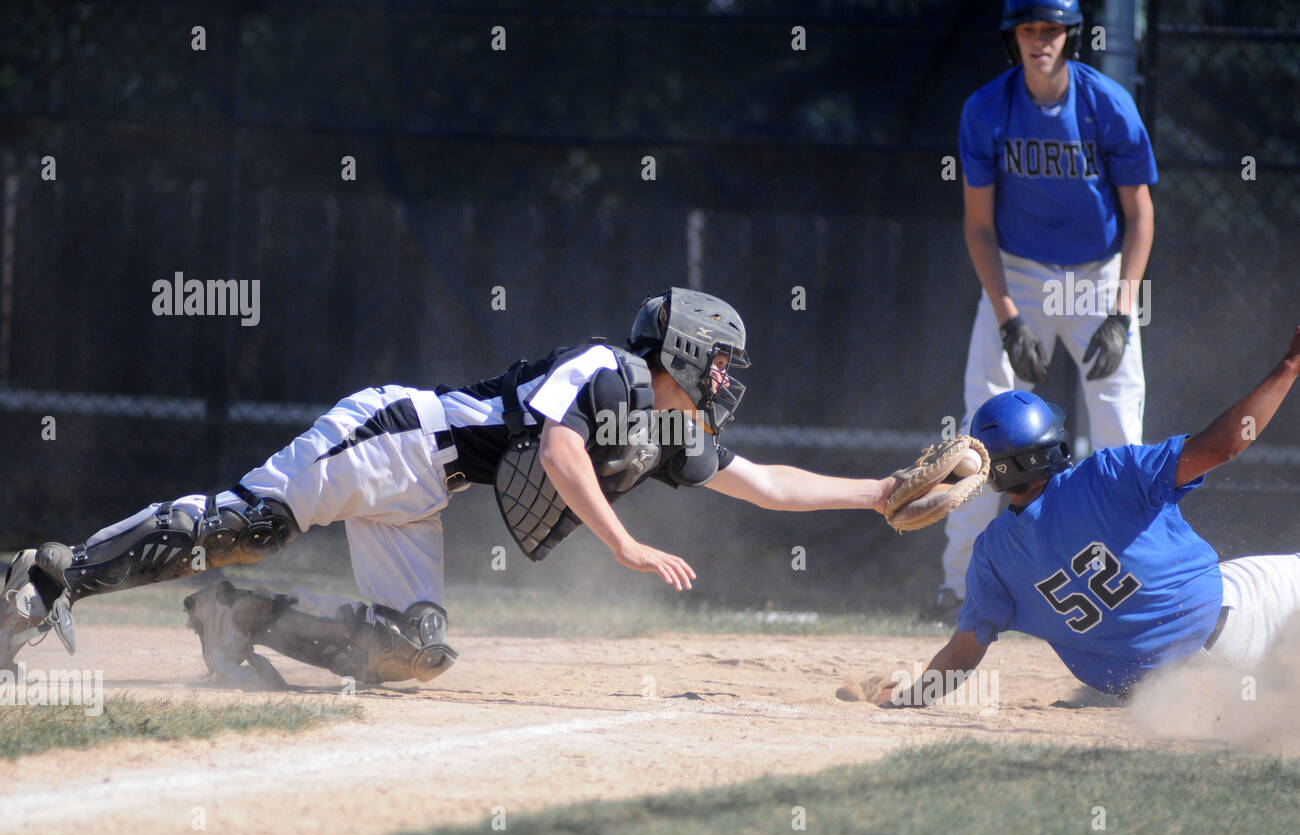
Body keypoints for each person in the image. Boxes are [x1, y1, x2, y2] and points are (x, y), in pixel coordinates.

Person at [2, 288, 906, 688]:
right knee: (254, 519)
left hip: (420, 495)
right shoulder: (605, 369)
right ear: (680, 351)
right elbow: (559, 449)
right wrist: (624, 546)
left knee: (416, 649)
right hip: (393, 435)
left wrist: (879, 492)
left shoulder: (664, 424)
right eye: (715, 361)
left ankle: (232, 616)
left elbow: (765, 482)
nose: (719, 381)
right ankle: (45, 579)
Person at [874, 326, 1300, 707]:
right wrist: (1290, 364)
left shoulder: (992, 555)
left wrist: (913, 694)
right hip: (1233, 632)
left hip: (1155, 697)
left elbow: (962, 654)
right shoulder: (1107, 474)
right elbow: (1223, 446)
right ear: (1053, 445)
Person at [934, 0, 1158, 625]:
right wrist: (1008, 315)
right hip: (1020, 272)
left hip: (1098, 276)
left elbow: (1139, 214)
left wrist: (1121, 311)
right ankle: (960, 587)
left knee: (1118, 425)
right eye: (1029, 29)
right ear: (1013, 39)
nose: (1041, 41)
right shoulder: (987, 108)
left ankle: (1126, 585)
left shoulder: (1107, 103)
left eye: (1052, 29)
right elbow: (979, 225)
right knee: (983, 428)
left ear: (1070, 37)